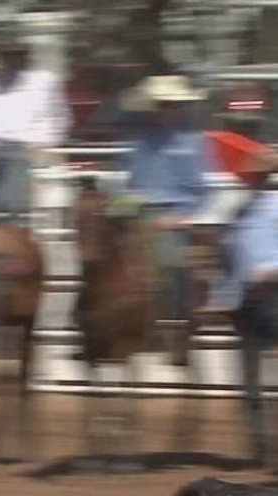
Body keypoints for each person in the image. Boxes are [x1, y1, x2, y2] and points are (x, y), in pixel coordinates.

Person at [221, 149, 278, 464]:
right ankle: (261, 449)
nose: (253, 180)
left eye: (258, 175)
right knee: (252, 381)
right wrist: (225, 297)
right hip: (249, 300)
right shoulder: (239, 214)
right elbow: (232, 262)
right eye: (251, 176)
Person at [118, 74, 214, 365]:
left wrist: (179, 218)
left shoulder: (192, 142)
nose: (166, 110)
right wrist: (122, 207)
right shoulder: (138, 140)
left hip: (173, 217)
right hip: (138, 213)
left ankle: (174, 327)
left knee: (170, 263)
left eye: (171, 105)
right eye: (161, 104)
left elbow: (202, 191)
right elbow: (127, 182)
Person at [0, 36, 68, 226]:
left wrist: (44, 145)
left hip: (29, 147)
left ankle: (17, 228)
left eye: (18, 54)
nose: (12, 59)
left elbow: (59, 118)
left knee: (15, 190)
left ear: (27, 56)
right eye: (7, 55)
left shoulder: (45, 82)